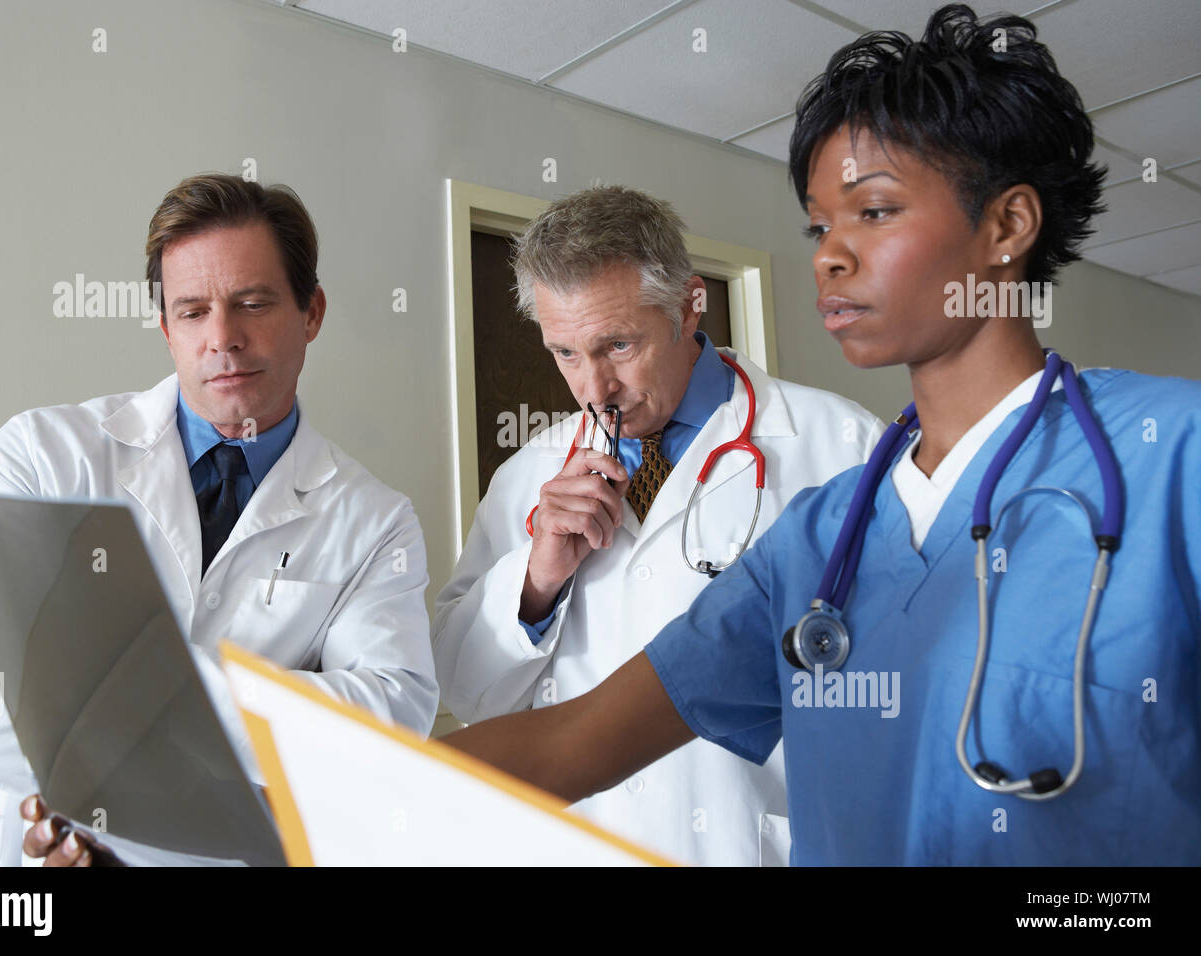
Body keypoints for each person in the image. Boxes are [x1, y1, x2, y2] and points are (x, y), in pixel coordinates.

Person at [440, 4, 1201, 865]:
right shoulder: (821, 536)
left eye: (873, 212)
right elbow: (570, 743)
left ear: (1007, 227)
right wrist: (302, 790)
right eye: (819, 226)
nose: (829, 255)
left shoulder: (1172, 453)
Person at [0, 173, 438, 866]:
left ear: (311, 312)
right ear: (165, 327)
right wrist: (241, 738)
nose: (223, 338)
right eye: (192, 311)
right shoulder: (41, 456)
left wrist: (103, 693)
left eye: (252, 303)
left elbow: (384, 728)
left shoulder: (375, 523)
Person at [433, 185, 882, 865]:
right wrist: (536, 580)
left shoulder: (840, 446)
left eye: (617, 345)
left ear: (688, 304)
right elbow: (469, 693)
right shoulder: (525, 478)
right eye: (565, 353)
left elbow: (904, 678)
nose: (593, 388)